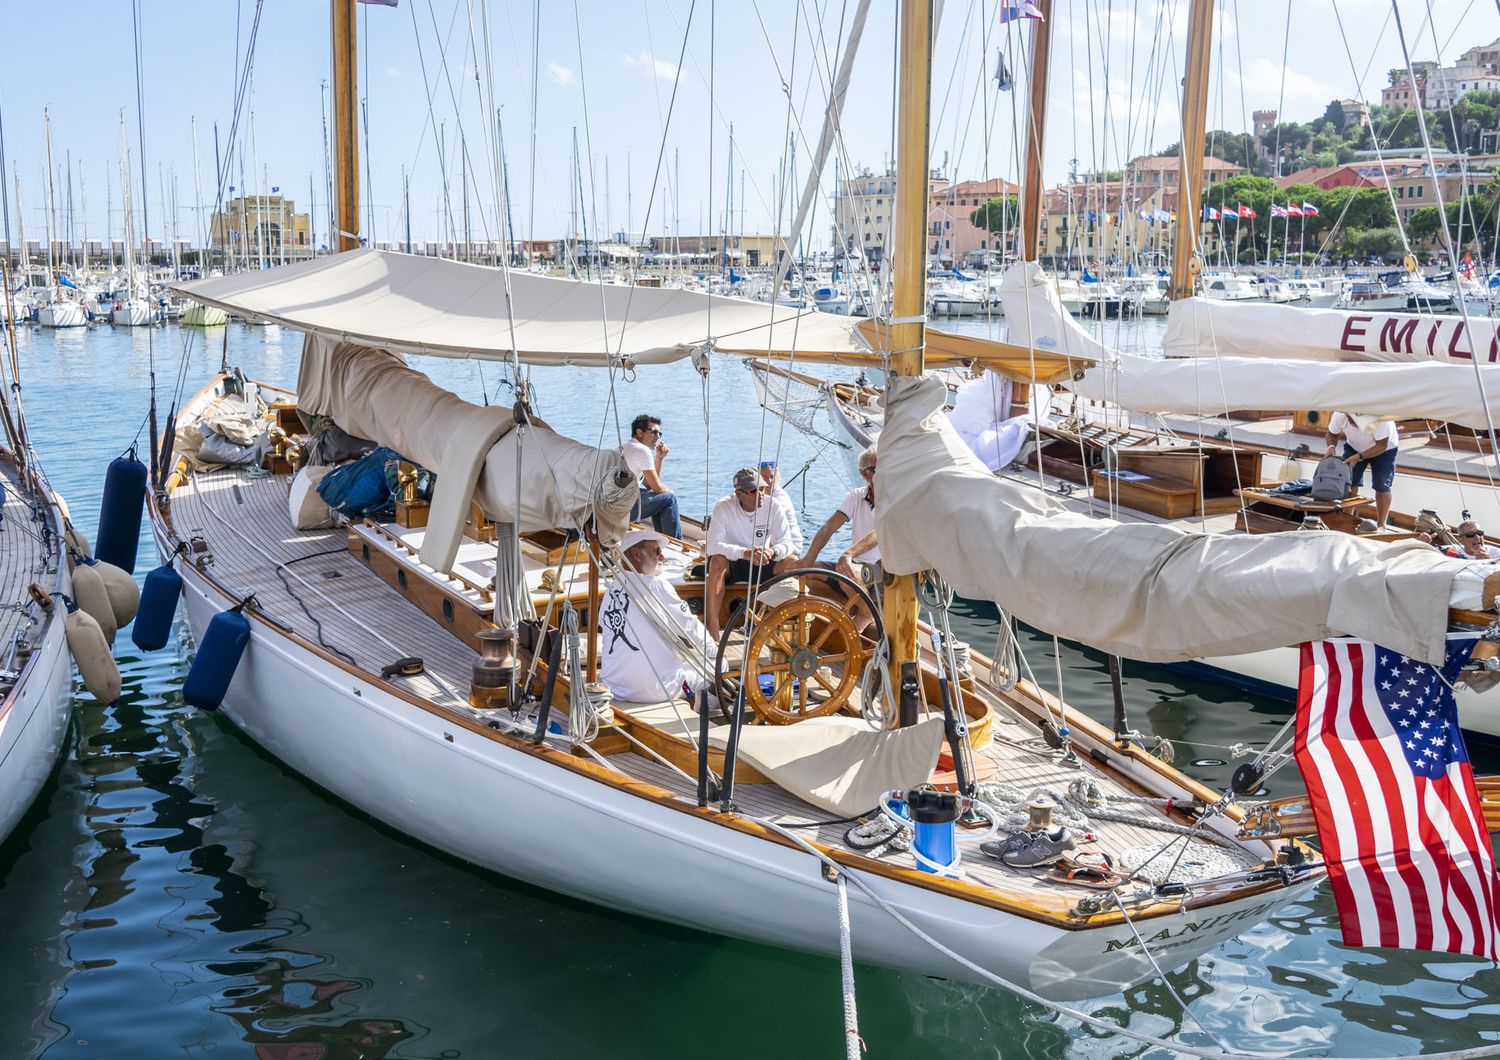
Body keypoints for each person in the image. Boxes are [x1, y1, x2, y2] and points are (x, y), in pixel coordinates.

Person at [598, 528, 715, 706]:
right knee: (718, 665)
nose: (662, 557)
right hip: (654, 690)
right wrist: (716, 652)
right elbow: (691, 628)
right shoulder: (657, 585)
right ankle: (706, 710)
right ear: (636, 554)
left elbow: (603, 625)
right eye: (656, 551)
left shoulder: (612, 587)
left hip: (615, 687)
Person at [704, 467, 801, 639]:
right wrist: (745, 553)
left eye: (762, 489)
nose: (761, 494)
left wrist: (773, 550)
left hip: (763, 559)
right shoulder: (723, 507)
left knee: (792, 562)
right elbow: (712, 546)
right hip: (734, 562)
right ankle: (713, 628)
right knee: (716, 561)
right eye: (753, 491)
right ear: (738, 494)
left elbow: (787, 543)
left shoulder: (774, 506)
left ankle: (786, 629)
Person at [801, 445, 880, 631]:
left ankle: (866, 613)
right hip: (858, 566)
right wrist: (807, 560)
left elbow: (880, 533)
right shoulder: (857, 496)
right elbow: (829, 527)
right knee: (804, 574)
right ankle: (852, 606)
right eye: (877, 469)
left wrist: (848, 553)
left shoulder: (895, 497)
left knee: (845, 570)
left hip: (882, 568)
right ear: (865, 474)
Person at [1323, 411, 1399, 528]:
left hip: (1385, 449)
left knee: (1382, 484)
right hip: (1354, 446)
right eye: (1349, 417)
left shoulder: (1380, 418)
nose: (1351, 421)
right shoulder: (1339, 415)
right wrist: (1331, 447)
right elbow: (1332, 434)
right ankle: (1347, 519)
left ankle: (1381, 525)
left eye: (1355, 419)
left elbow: (1381, 445)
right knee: (1348, 481)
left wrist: (1359, 456)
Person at [620, 413, 680, 539]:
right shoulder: (642, 450)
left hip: (612, 505)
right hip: (621, 510)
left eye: (659, 434)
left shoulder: (626, 447)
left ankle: (662, 540)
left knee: (661, 497)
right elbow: (657, 488)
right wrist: (670, 492)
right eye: (653, 432)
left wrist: (659, 458)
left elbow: (648, 484)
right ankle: (674, 544)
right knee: (669, 499)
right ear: (639, 433)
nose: (657, 437)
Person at [758, 460, 804, 555]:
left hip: (790, 545)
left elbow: (769, 521)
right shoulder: (759, 494)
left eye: (772, 477)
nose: (769, 481)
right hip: (773, 542)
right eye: (764, 478)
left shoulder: (780, 497)